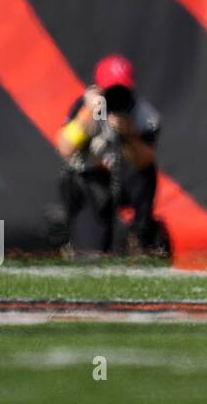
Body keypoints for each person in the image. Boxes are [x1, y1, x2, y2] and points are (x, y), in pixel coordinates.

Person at [52, 54, 165, 256]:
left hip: (125, 180)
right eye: (110, 91)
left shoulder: (143, 114)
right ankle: (72, 234)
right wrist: (87, 116)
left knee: (146, 172)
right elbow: (64, 148)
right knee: (90, 252)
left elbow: (145, 162)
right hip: (91, 184)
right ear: (98, 89)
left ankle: (140, 235)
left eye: (121, 90)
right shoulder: (86, 109)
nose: (116, 97)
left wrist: (128, 136)